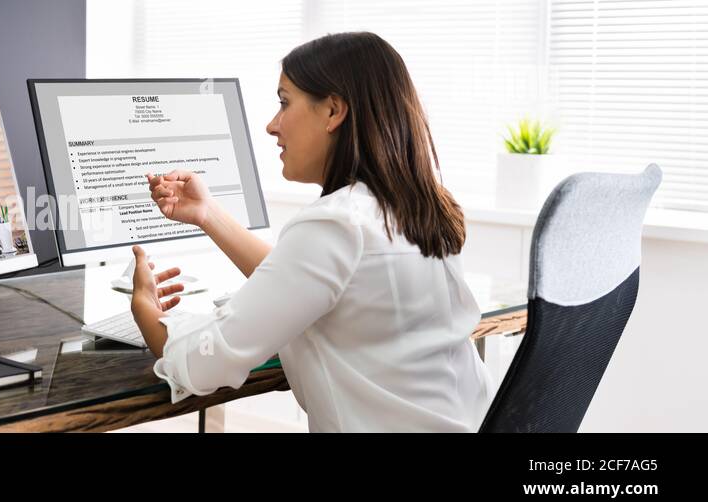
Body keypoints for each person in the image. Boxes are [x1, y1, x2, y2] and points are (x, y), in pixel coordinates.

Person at [129, 32, 493, 432]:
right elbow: (311, 284)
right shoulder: (413, 209)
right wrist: (208, 214)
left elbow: (205, 363)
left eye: (284, 102)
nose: (272, 125)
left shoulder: (335, 224)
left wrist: (146, 310)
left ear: (334, 111)